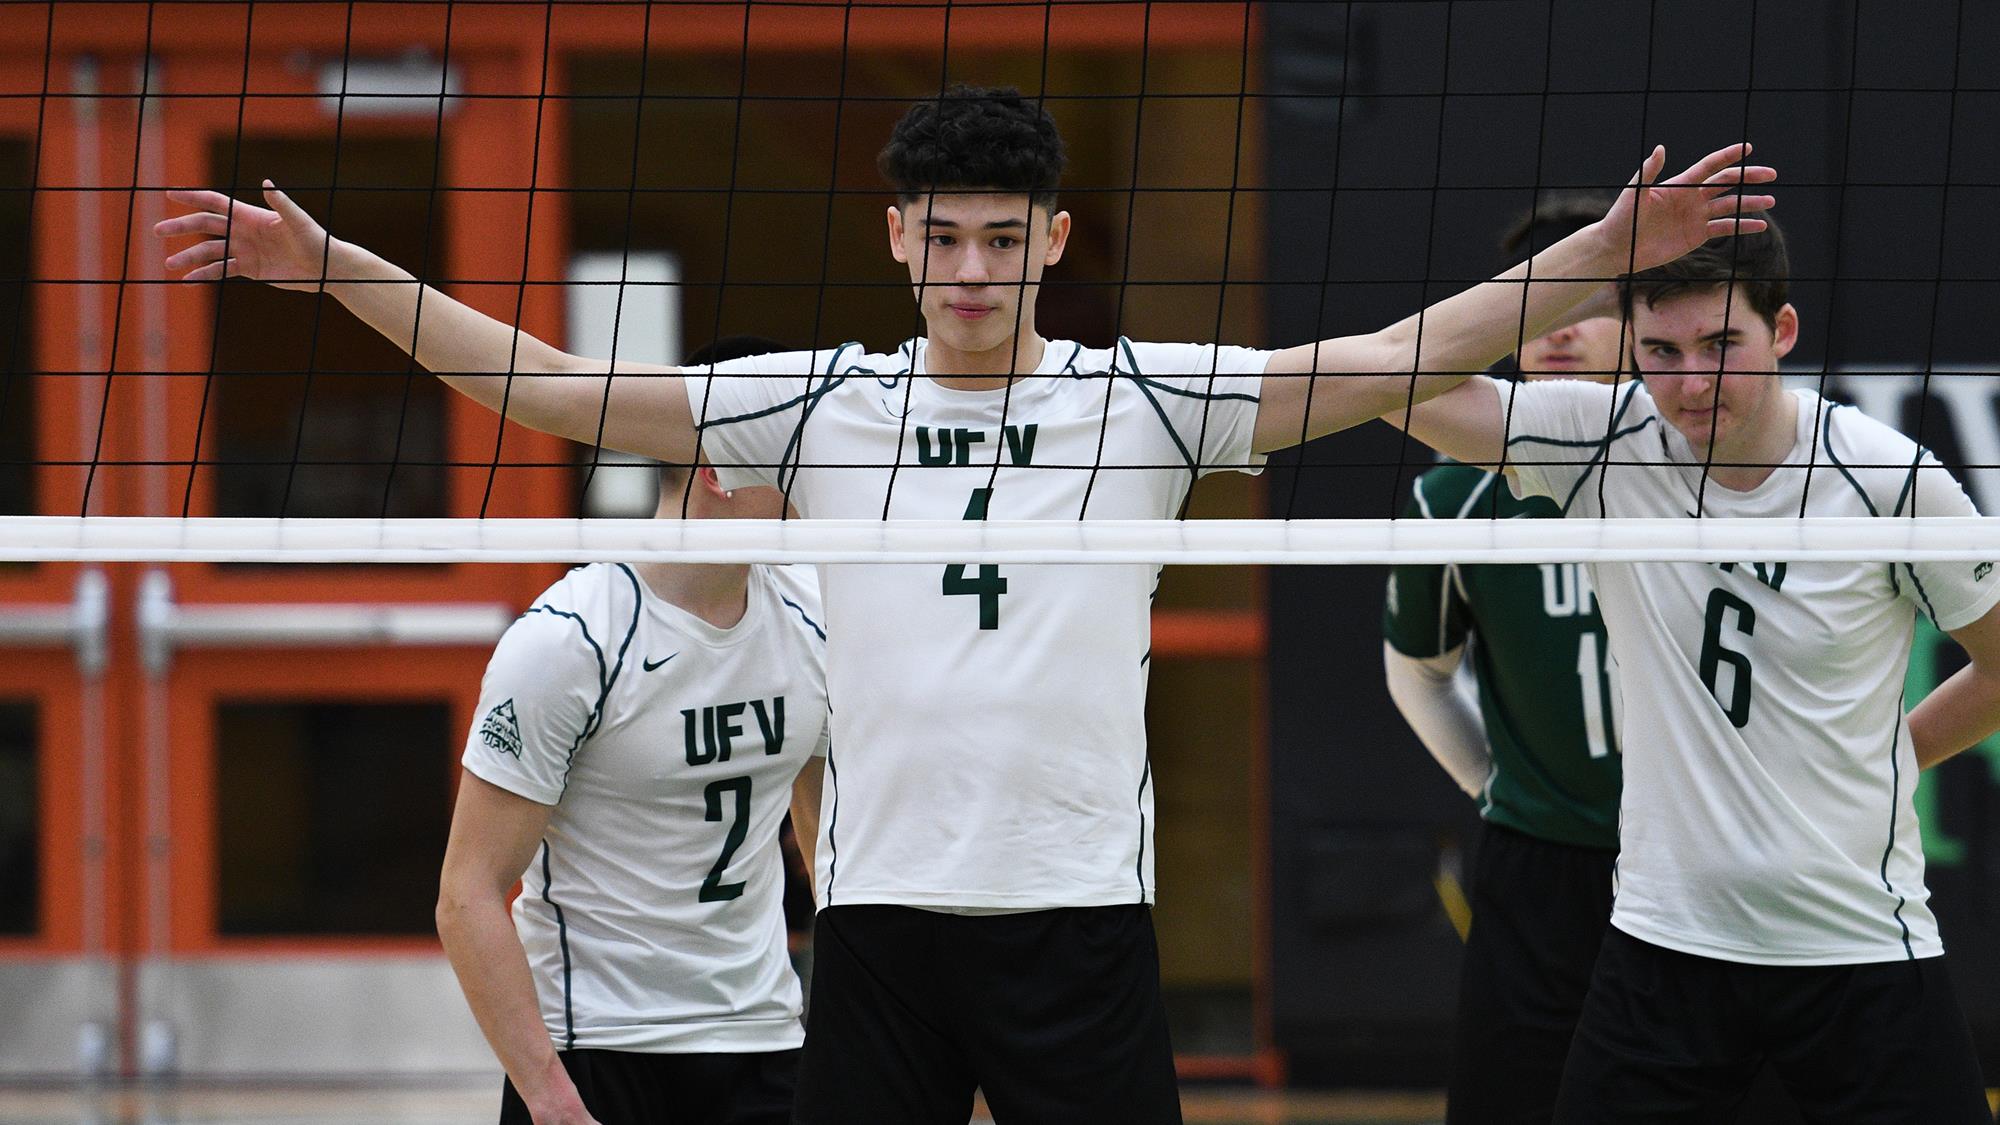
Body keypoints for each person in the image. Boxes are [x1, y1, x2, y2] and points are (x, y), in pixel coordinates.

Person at [157, 84, 1769, 1123]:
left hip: (1079, 925)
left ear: (1055, 240)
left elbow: (1381, 366)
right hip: (875, 937)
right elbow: (554, 389)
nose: (977, 270)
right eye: (947, 241)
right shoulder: (816, 403)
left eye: (1007, 240)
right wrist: (341, 270)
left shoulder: (1144, 397)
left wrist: (1597, 260)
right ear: (899, 243)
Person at [1387, 214, 2000, 1123]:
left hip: (1859, 947)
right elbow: (1380, 377)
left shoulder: (1885, 480)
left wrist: (1896, 753)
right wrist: (1588, 266)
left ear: (1782, 331)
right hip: (1662, 953)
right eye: (1661, 350)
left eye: (1722, 343)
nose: (1692, 380)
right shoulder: (1604, 443)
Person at [434, 332, 830, 1125]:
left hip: (763, 1044)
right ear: (717, 467)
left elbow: (830, 843)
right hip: (600, 1053)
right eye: (794, 453)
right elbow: (467, 893)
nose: (817, 480)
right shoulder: (570, 641)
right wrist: (549, 1097)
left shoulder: (814, 612)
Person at [1381, 193, 1626, 1125]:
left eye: (1586, 307)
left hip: (1697, 848)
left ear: (1643, 323)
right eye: (1538, 312)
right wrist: (1502, 789)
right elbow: (1418, 673)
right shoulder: (1457, 495)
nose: (1558, 335)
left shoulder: (1710, 469)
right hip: (1543, 870)